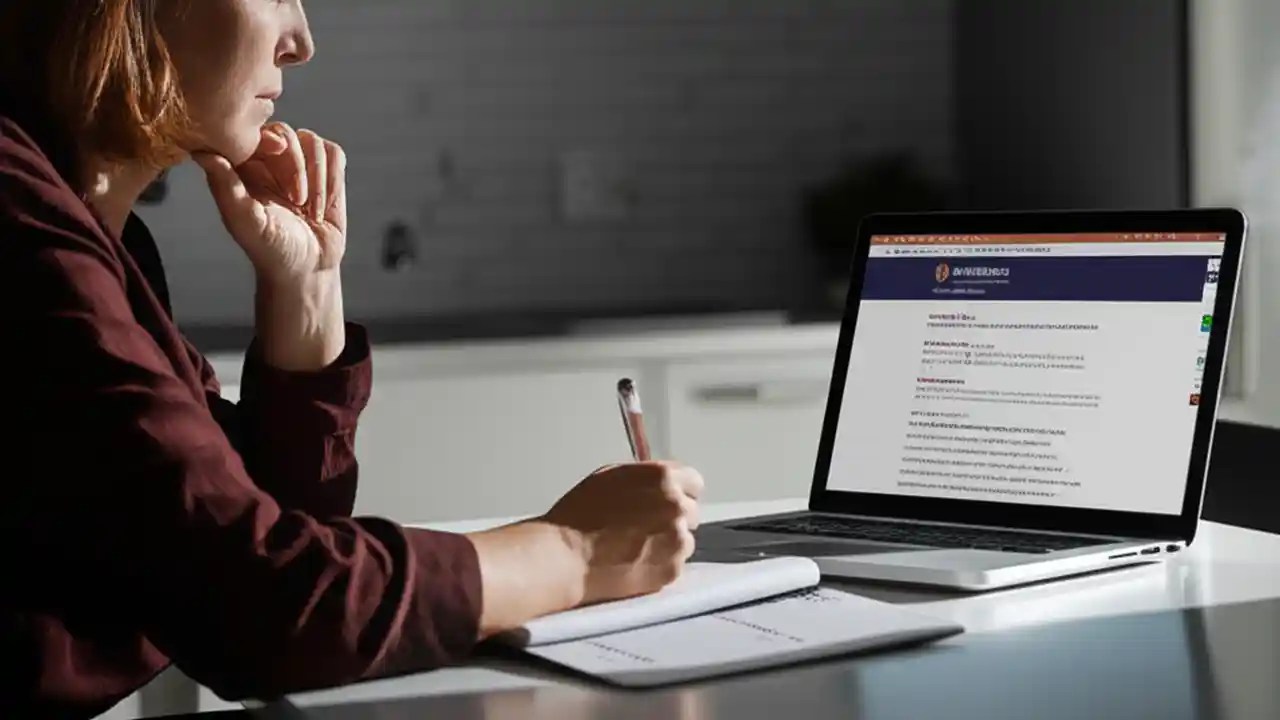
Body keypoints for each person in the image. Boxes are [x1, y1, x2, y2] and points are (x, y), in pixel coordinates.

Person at [0, 2, 704, 717]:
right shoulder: (16, 220)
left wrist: (307, 284)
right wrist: (574, 553)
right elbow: (260, 606)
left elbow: (259, 532)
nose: (302, 42)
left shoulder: (110, 246)